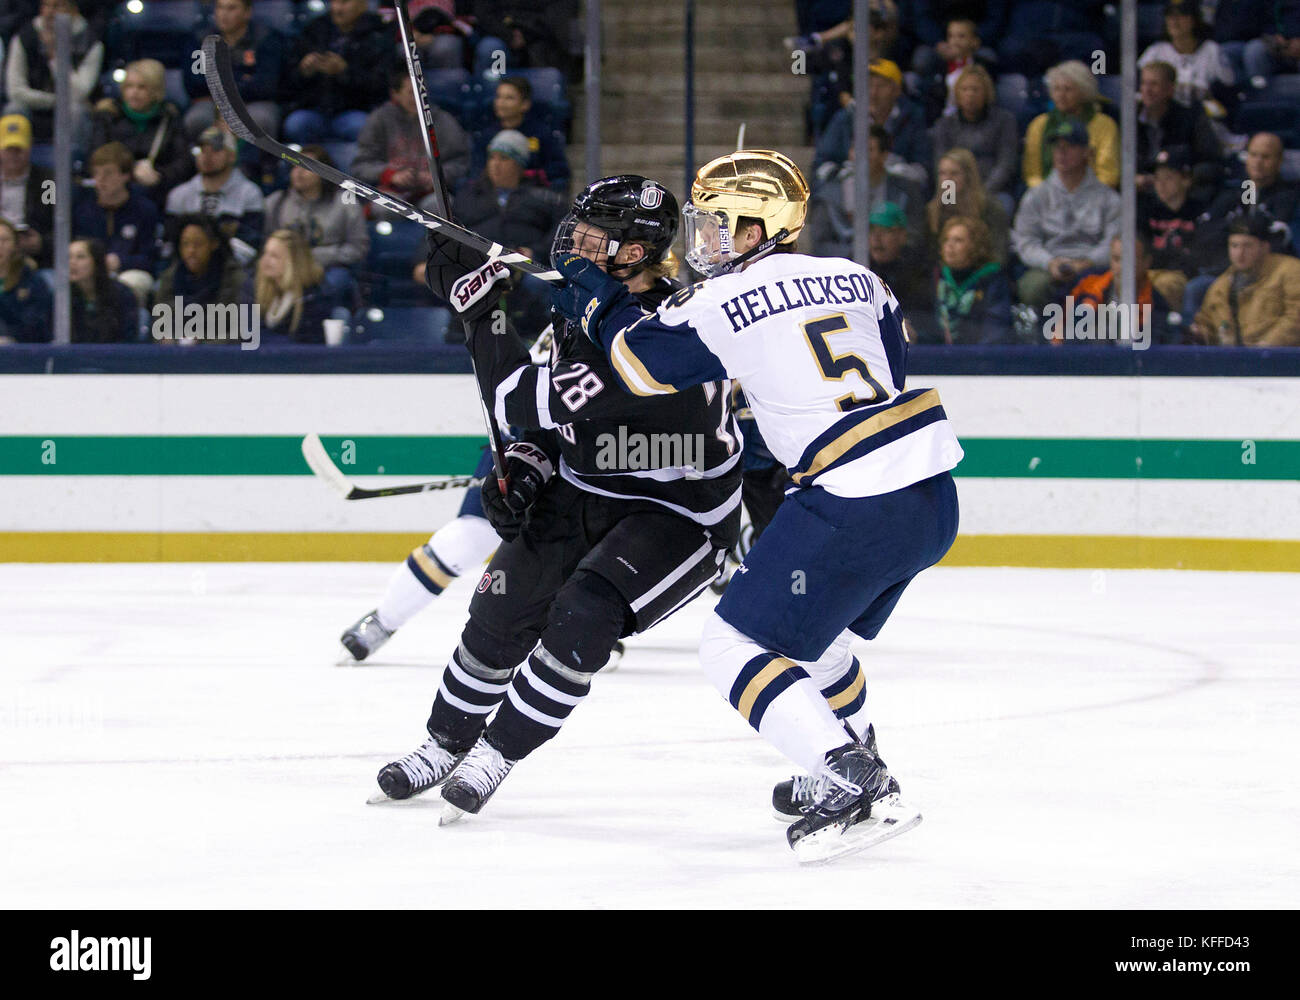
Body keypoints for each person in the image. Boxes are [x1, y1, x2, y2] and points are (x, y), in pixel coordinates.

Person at [550, 150, 963, 862]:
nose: (700, 241)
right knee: (821, 641)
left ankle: (847, 774)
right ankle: (848, 752)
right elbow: (886, 371)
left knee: (732, 644)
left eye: (716, 226)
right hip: (929, 500)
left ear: (754, 231)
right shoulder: (860, 277)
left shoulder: (716, 300)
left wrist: (596, 296)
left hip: (851, 496)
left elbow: (639, 367)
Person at [372, 175, 744, 821]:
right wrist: (526, 464)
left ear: (632, 253)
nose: (574, 239)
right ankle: (443, 743)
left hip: (679, 513)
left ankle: (496, 752)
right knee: (497, 613)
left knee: (583, 614)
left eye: (594, 232)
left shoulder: (662, 336)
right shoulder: (580, 308)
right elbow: (544, 428)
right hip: (588, 486)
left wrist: (480, 309)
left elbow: (516, 397)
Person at [1012, 120, 1121, 312]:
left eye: (1070, 146)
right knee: (1032, 287)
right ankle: (1042, 338)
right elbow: (1026, 241)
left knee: (1105, 285)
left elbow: (1114, 242)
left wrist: (1088, 262)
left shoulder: (1108, 198)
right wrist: (1049, 262)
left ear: (1087, 152)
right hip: (1048, 266)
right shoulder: (1036, 196)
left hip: (1094, 267)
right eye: (1057, 147)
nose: (1061, 153)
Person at [353, 63, 470, 211]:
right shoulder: (379, 119)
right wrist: (390, 174)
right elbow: (361, 165)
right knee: (384, 207)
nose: (417, 98)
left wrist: (437, 176)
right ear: (395, 94)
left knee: (440, 206)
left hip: (430, 192)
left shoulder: (443, 121)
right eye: (410, 92)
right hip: (391, 191)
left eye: (421, 92)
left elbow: (460, 162)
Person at [263, 145, 368, 310]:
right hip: (285, 267)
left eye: (306, 167)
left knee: (338, 280)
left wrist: (317, 257)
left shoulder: (346, 204)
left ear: (324, 172)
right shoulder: (275, 202)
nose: (298, 172)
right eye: (295, 166)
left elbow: (358, 248)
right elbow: (265, 243)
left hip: (328, 268)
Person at [283, 0, 394, 145]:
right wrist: (304, 70)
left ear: (363, 5)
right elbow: (287, 80)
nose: (337, 9)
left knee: (363, 127)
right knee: (296, 124)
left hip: (356, 109)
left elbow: (382, 84)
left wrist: (344, 72)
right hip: (315, 108)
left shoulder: (379, 33)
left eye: (344, 3)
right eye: (334, 2)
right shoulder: (315, 27)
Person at [90, 59, 192, 208]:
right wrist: (129, 173)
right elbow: (95, 156)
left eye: (142, 87)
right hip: (115, 186)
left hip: (157, 190)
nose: (134, 93)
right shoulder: (108, 116)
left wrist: (159, 175)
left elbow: (183, 161)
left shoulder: (170, 117)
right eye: (129, 86)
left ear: (155, 90)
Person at [1191, 210, 1300, 347]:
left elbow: (1296, 318)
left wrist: (1266, 347)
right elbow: (1206, 323)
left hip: (1281, 360)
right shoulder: (1221, 286)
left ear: (1264, 247)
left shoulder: (1291, 272)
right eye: (1234, 246)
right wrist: (1199, 333)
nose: (1240, 253)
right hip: (1236, 362)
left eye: (1247, 246)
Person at [184, 0, 285, 142]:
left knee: (261, 120)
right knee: (196, 119)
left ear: (247, 13)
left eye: (231, 8)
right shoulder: (200, 39)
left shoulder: (266, 39)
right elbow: (194, 82)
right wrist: (242, 80)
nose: (223, 14)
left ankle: (259, 164)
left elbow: (266, 85)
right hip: (211, 102)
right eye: (220, 8)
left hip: (254, 102)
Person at [3, 0, 102, 144]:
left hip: (69, 112)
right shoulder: (25, 37)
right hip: (35, 106)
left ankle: (74, 161)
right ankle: (14, 162)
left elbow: (78, 93)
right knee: (14, 109)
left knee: (77, 111)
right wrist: (55, 101)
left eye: (58, 6)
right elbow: (15, 91)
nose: (50, 12)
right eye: (46, 5)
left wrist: (55, 56)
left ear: (73, 10)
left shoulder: (91, 42)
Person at [73, 141, 160, 305]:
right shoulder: (84, 210)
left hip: (128, 272)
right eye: (96, 173)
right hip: (89, 273)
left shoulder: (144, 210)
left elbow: (150, 258)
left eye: (108, 173)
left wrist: (120, 262)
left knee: (130, 283)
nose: (100, 179)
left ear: (125, 175)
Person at [164, 126, 265, 263]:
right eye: (201, 150)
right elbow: (170, 244)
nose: (207, 156)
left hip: (232, 269)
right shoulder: (179, 195)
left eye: (215, 150)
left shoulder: (249, 194)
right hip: (187, 266)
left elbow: (249, 246)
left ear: (232, 156)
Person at [1022, 60, 1120, 190]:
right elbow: (1032, 173)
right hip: (1047, 197)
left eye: (1068, 89)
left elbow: (1109, 175)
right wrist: (1050, 193)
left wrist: (1079, 194)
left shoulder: (1105, 125)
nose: (1061, 95)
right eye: (1056, 89)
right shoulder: (1039, 124)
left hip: (1093, 197)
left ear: (1084, 91)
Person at [929, 64, 1019, 206]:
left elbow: (1006, 164)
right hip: (954, 189)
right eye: (964, 89)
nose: (970, 94)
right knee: (940, 207)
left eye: (975, 89)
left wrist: (982, 194)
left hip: (992, 190)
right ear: (957, 94)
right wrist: (950, 197)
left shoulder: (1005, 121)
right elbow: (940, 164)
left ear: (986, 92)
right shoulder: (944, 125)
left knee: (1004, 204)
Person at [1135, 60, 1222, 199]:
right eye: (1144, 83)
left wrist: (1186, 179)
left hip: (1182, 194)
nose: (1147, 90)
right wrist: (1130, 179)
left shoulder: (1190, 118)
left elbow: (1212, 162)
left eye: (1154, 84)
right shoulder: (1129, 119)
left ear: (1170, 89)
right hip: (1140, 194)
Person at [1065, 234, 1172, 346]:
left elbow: (1154, 346)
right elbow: (1069, 333)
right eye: (1116, 259)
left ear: (1147, 262)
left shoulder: (1157, 305)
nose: (1122, 267)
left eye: (1130, 260)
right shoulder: (1087, 288)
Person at [472, 75, 570, 192]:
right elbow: (476, 170)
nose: (501, 103)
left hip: (533, 196)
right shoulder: (487, 136)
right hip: (492, 195)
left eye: (509, 98)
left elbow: (559, 169)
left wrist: (528, 176)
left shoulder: (541, 134)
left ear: (525, 104)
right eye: (498, 97)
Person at [1137, 0, 1234, 116]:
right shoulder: (1155, 52)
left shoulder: (1212, 50)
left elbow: (1228, 90)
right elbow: (1138, 87)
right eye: (1170, 16)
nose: (1174, 21)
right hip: (1164, 117)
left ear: (1194, 19)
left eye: (1181, 15)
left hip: (1204, 119)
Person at [153, 215, 247, 325]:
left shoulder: (234, 279)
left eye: (198, 244)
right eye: (185, 244)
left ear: (214, 244)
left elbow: (239, 331)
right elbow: (159, 325)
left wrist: (201, 341)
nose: (191, 251)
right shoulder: (170, 277)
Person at [934, 215, 1011, 344]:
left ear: (975, 245)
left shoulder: (992, 278)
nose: (950, 246)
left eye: (958, 240)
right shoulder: (937, 276)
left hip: (979, 357)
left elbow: (996, 327)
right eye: (946, 240)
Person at [251, 230, 336, 344]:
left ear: (294, 262)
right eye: (265, 253)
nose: (265, 260)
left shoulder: (314, 298)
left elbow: (306, 344)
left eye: (274, 256)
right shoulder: (262, 292)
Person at [926, 147, 1009, 264]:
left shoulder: (990, 207)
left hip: (983, 273)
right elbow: (930, 255)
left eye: (954, 174)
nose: (947, 180)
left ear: (968, 176)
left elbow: (999, 252)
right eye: (942, 173)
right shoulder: (933, 210)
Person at [0, 112, 53, 267]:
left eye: (19, 149)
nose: (14, 155)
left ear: (30, 146)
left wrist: (41, 243)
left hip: (32, 258)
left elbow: (54, 220)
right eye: (9, 149)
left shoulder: (48, 182)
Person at [69, 237, 138, 342]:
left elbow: (127, 337)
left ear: (97, 262)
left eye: (80, 257)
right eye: (69, 257)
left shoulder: (121, 294)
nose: (72, 262)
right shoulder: (60, 298)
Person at [0, 215, 53, 343]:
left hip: (19, 352)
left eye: (5, 240)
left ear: (15, 245)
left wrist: (10, 337)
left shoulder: (31, 281)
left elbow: (36, 325)